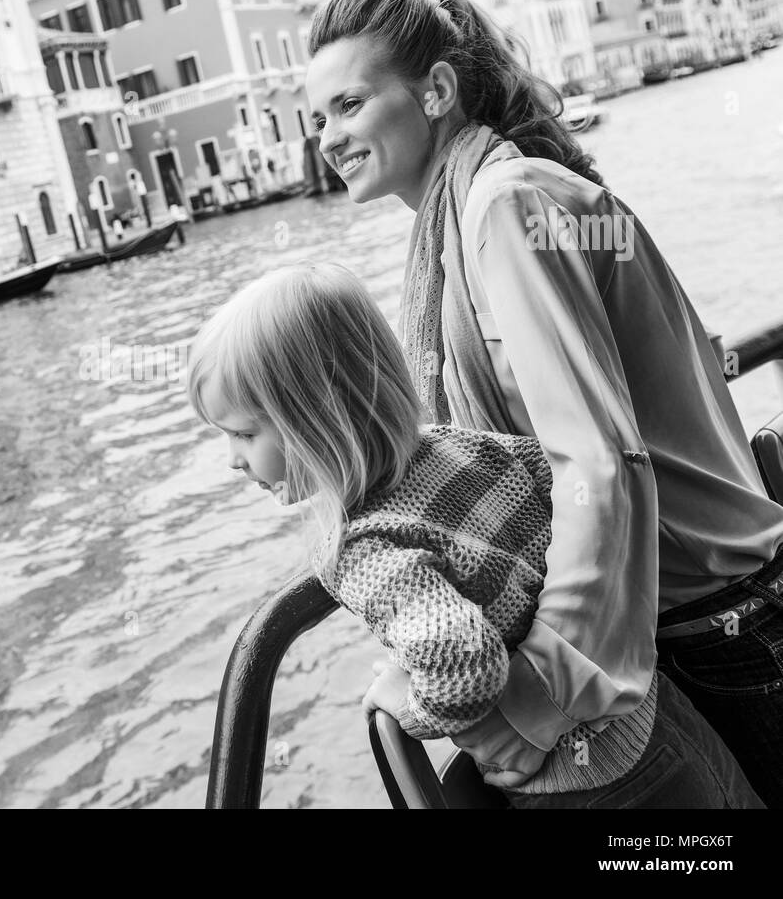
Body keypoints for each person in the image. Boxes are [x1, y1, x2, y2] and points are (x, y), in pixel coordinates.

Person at [304, 0, 783, 804]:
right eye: (318, 118)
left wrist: (539, 695)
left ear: (436, 93)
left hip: (716, 627)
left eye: (349, 104)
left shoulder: (504, 209)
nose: (328, 137)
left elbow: (598, 463)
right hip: (705, 615)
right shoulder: (493, 205)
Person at [186, 261, 761, 807]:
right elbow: (567, 488)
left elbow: (463, 664)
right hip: (648, 705)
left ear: (316, 418)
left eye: (241, 434)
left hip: (587, 783)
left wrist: (405, 707)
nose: (233, 460)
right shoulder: (460, 447)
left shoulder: (363, 546)